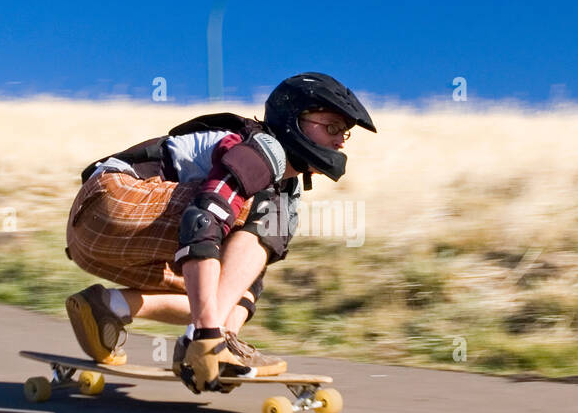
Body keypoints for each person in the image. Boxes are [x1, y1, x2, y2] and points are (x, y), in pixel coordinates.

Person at [63, 72, 375, 393]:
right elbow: (203, 219)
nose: (340, 140)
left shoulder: (284, 183)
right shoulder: (260, 150)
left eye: (345, 133)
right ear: (295, 120)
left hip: (94, 238)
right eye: (332, 127)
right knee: (263, 210)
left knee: (235, 283)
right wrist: (205, 337)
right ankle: (210, 341)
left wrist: (213, 334)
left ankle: (109, 306)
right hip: (111, 201)